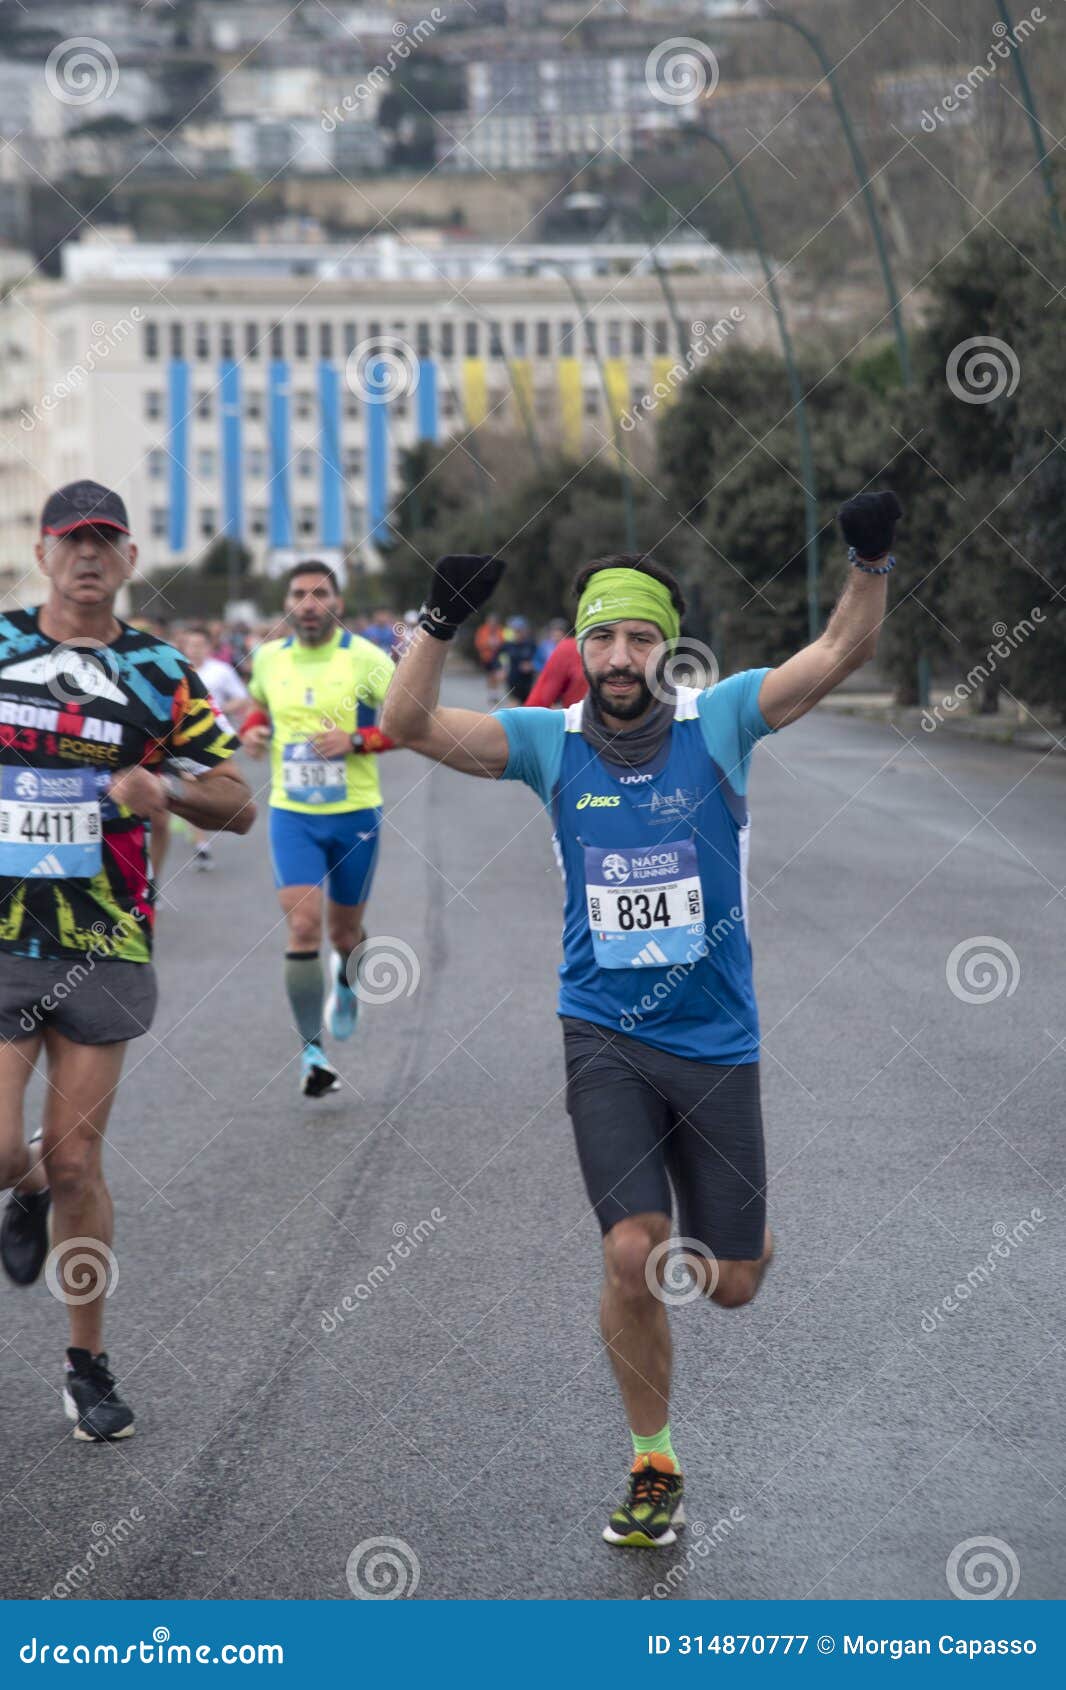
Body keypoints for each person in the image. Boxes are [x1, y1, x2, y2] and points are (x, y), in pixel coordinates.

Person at [381, 491, 901, 1548]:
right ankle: (652, 1461)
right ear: (582, 648)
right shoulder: (546, 740)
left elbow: (841, 649)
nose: (622, 654)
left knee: (736, 1282)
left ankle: (743, 1238)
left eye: (641, 636)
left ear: (668, 649)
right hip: (603, 1033)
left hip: (716, 1039)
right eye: (605, 636)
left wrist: (870, 557)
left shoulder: (723, 720)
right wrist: (435, 627)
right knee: (630, 1252)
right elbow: (407, 726)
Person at [0, 480, 255, 1441]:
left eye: (107, 540)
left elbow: (238, 801)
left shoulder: (160, 673)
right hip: (2, 934)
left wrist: (167, 793)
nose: (89, 556)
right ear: (43, 553)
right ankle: (16, 1189)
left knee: (76, 1162)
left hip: (105, 938)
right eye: (73, 540)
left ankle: (87, 1364)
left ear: (131, 559)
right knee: (8, 1154)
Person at [241, 560, 395, 1098]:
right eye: (299, 593)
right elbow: (260, 712)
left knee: (343, 934)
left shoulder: (368, 659)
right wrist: (254, 734)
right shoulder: (267, 659)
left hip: (354, 813)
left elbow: (407, 724)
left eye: (320, 593)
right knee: (304, 927)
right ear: (287, 604)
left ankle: (348, 984)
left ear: (339, 604)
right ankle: (312, 1053)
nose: (308, 603)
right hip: (293, 813)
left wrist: (356, 742)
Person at [181, 626, 250, 870]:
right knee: (192, 783)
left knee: (215, 788)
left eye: (200, 645)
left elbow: (242, 697)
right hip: (186, 741)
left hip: (216, 740)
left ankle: (209, 822)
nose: (195, 649)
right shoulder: (178, 671)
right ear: (185, 647)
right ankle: (201, 843)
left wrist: (220, 709)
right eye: (191, 645)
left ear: (208, 648)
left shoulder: (220, 671)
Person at [526, 632, 587, 709]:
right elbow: (537, 660)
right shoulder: (547, 646)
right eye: (554, 635)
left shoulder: (567, 648)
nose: (556, 637)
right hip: (549, 678)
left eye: (558, 635)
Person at [493, 614, 538, 704]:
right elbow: (495, 656)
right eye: (515, 630)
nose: (517, 633)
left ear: (525, 630)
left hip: (528, 682)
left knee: (527, 707)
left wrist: (532, 665)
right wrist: (499, 669)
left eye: (519, 630)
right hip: (512, 681)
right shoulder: (508, 645)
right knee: (514, 707)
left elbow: (540, 659)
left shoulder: (531, 644)